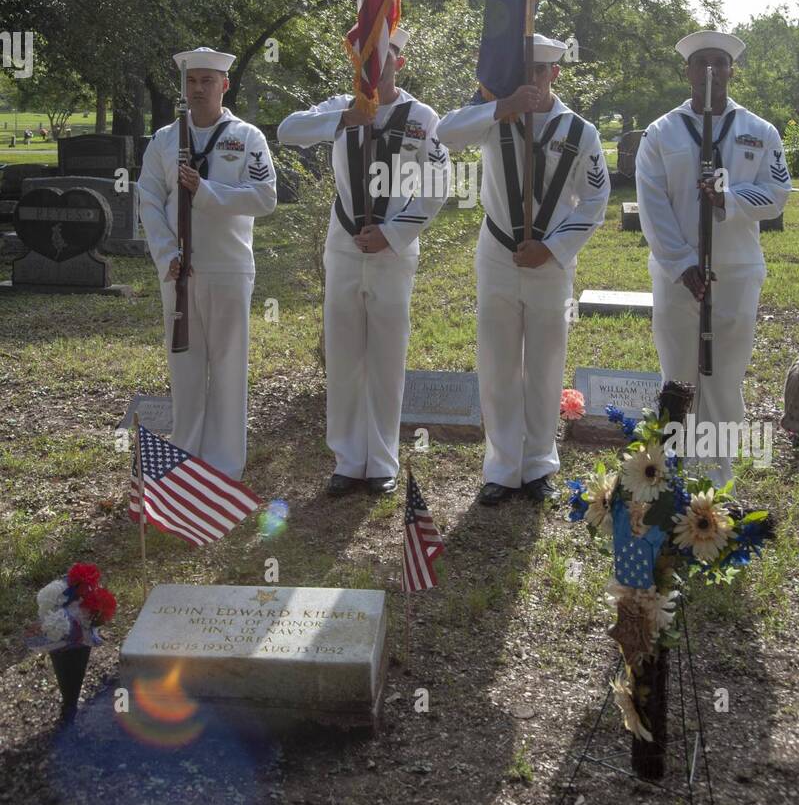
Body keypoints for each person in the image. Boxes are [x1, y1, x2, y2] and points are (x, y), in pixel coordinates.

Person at [438, 35, 610, 505]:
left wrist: (554, 247)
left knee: (545, 360)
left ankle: (538, 464)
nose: (532, 79)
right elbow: (445, 134)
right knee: (497, 360)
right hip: (497, 251)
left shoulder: (579, 132)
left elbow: (595, 200)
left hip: (550, 261)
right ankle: (501, 466)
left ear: (555, 73)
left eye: (540, 71)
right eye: (525, 70)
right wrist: (500, 105)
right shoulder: (497, 116)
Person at [278, 28, 448, 497]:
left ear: (401, 60)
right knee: (346, 353)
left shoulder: (421, 117)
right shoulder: (339, 105)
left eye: (384, 57)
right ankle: (349, 460)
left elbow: (437, 185)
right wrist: (345, 119)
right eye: (365, 58)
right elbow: (287, 130)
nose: (374, 66)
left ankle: (382, 461)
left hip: (393, 251)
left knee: (387, 357)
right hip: (345, 244)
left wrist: (393, 233)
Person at [635, 30, 791, 486]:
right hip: (676, 273)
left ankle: (716, 484)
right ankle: (671, 481)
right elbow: (653, 204)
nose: (710, 71)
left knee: (723, 379)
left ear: (731, 70)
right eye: (700, 62)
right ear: (686, 70)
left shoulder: (759, 132)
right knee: (679, 376)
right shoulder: (660, 132)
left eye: (719, 63)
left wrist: (730, 199)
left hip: (737, 270)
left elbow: (778, 194)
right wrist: (681, 263)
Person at [138, 47, 276, 479]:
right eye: (192, 81)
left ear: (225, 85)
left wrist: (207, 190)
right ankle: (185, 459)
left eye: (207, 81)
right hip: (180, 271)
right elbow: (148, 200)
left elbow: (265, 197)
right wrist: (166, 255)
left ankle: (223, 468)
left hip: (229, 266)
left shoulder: (247, 137)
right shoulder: (164, 139)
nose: (198, 89)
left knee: (229, 367)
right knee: (185, 367)